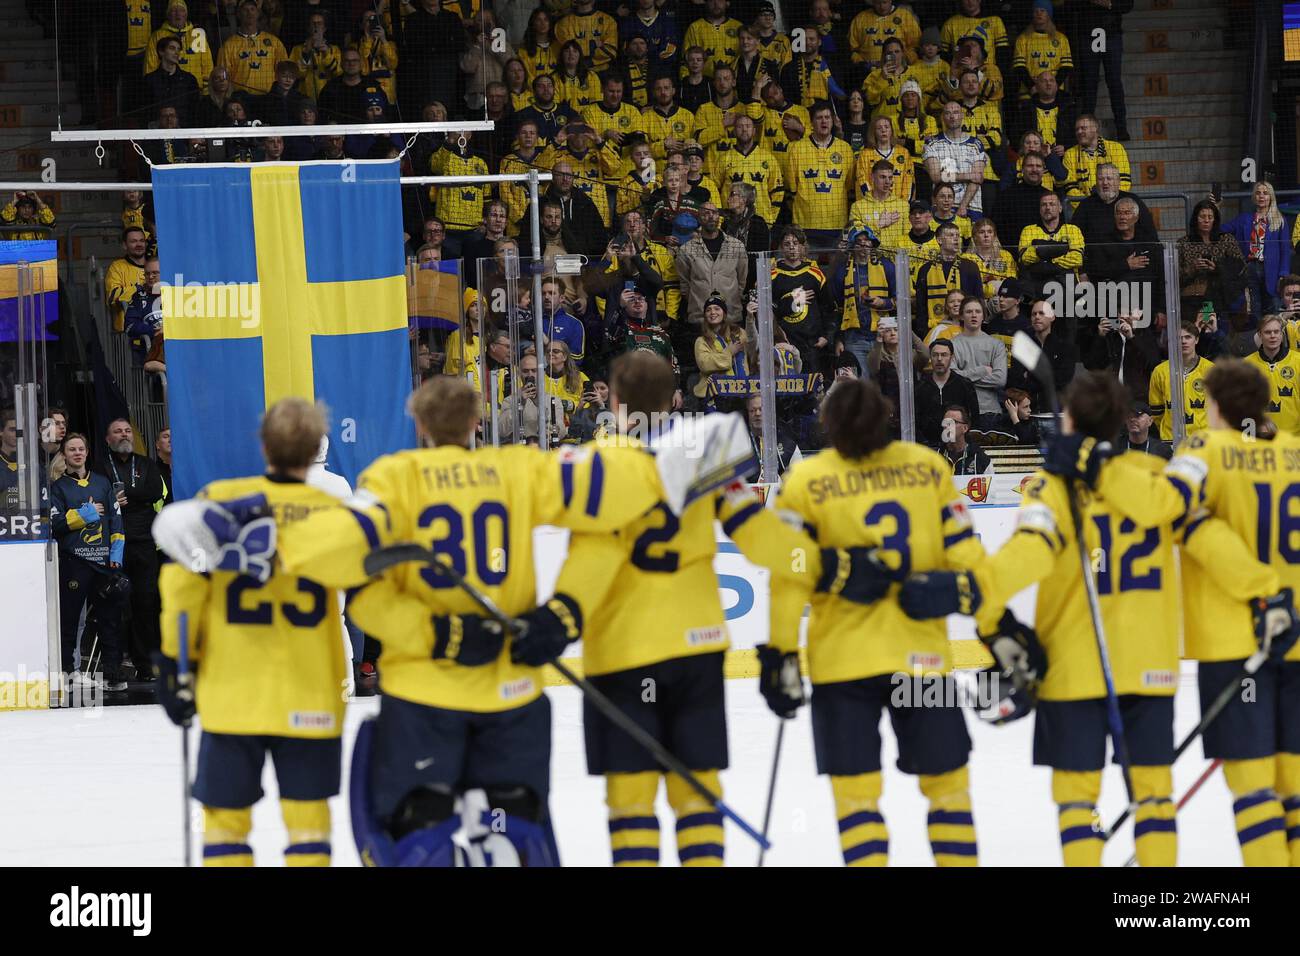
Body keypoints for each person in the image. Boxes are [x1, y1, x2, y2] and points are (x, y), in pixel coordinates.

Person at [153, 376, 744, 867]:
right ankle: (497, 832)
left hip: (423, 694)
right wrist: (676, 460)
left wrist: (276, 546)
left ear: (421, 427)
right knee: (511, 812)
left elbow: (356, 561)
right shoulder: (518, 469)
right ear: (476, 423)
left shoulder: (394, 479)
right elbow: (601, 487)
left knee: (420, 818)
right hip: (510, 689)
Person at [559, 351, 812, 866]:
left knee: (630, 801)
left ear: (613, 399)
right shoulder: (704, 453)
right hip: (696, 648)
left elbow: (587, 559)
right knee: (697, 791)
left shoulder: (598, 462)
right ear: (673, 397)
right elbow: (759, 537)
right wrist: (820, 565)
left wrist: (556, 619)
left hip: (621, 652)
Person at [1051, 360, 1300, 867]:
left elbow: (1159, 505)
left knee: (1255, 795)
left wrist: (1092, 463)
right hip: (1293, 635)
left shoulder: (1204, 451)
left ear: (1217, 404)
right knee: (1292, 791)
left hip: (1236, 641)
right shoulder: (1295, 452)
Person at [759, 377, 986, 866]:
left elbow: (789, 575)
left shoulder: (805, 481)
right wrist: (982, 609)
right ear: (884, 415)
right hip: (922, 659)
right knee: (948, 791)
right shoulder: (926, 468)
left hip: (842, 662)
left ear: (830, 426)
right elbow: (969, 557)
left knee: (857, 799)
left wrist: (779, 653)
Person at [155, 399, 346, 866]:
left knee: (224, 821)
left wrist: (174, 666)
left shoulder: (220, 499)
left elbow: (183, 591)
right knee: (308, 824)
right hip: (311, 692)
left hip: (231, 693)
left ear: (263, 445)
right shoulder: (337, 505)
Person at [50, 434, 127, 692]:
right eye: (72, 449)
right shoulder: (58, 487)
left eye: (81, 448)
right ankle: (70, 673)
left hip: (104, 562)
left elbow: (116, 522)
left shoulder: (103, 483)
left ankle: (112, 674)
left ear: (87, 452)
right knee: (71, 620)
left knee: (110, 620)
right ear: (64, 454)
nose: (77, 453)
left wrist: (116, 555)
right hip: (75, 561)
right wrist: (88, 513)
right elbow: (56, 524)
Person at [97, 418, 166, 679]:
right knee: (114, 602)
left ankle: (145, 665)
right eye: (118, 431)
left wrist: (125, 498)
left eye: (127, 431)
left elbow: (152, 493)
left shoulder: (147, 463)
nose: (124, 435)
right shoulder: (100, 467)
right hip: (113, 543)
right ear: (108, 439)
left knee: (145, 602)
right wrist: (112, 501)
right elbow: (100, 496)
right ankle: (114, 665)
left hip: (144, 543)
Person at [1178, 199, 1247, 347]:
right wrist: (1193, 268)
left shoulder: (1226, 239)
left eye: (1210, 217)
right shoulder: (1184, 242)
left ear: (1215, 219)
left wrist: (1217, 268)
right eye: (1202, 216)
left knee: (1213, 337)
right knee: (1192, 338)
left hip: (1218, 298)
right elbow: (1174, 275)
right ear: (1195, 218)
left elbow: (1240, 266)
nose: (1206, 220)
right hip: (1190, 299)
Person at [1224, 182, 1293, 329]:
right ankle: (1258, 340)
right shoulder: (1244, 219)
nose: (1261, 196)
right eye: (1258, 193)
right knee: (1255, 307)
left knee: (1274, 304)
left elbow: (1285, 250)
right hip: (1249, 268)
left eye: (1265, 192)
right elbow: (1222, 229)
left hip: (1272, 271)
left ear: (1271, 197)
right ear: (1254, 197)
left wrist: (1283, 274)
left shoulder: (1280, 220)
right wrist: (1216, 207)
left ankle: (1275, 337)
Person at [786, 101, 854, 248]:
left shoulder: (845, 149)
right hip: (805, 223)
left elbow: (849, 185)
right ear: (811, 122)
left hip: (837, 223)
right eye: (819, 118)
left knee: (835, 269)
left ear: (833, 121)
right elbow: (791, 188)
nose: (824, 121)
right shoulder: (797, 148)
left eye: (827, 117)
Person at [771, 226, 833, 376]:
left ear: (802, 246)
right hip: (784, 344)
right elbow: (769, 312)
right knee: (786, 392)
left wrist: (827, 336)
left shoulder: (815, 274)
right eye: (787, 244)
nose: (792, 247)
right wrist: (794, 301)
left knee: (813, 391)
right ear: (781, 248)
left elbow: (829, 308)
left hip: (812, 345)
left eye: (796, 243)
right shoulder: (771, 275)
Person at [949, 296, 1007, 432]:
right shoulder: (952, 345)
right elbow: (951, 378)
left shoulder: (996, 344)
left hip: (990, 411)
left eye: (978, 311)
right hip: (961, 413)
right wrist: (982, 370)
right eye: (969, 312)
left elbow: (1000, 380)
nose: (974, 315)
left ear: (983, 316)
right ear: (961, 316)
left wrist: (963, 376)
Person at [923, 101, 987, 219]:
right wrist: (968, 175)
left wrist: (963, 206)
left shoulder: (976, 144)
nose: (952, 116)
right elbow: (936, 177)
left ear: (962, 115)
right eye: (948, 113)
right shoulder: (932, 143)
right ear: (943, 117)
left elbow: (977, 179)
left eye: (956, 112)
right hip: (941, 208)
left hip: (971, 207)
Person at [1017, 192, 1085, 299]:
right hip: (1038, 283)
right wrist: (1062, 249)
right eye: (1044, 205)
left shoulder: (1072, 229)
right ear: (1040, 209)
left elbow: (1077, 258)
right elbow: (1025, 258)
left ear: (1060, 208)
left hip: (1068, 284)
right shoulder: (1029, 230)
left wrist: (1043, 254)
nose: (1047, 208)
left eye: (1052, 204)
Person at [1071, 163, 1157, 246]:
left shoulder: (1133, 201)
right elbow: (1074, 235)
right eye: (1101, 179)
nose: (1105, 183)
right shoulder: (1086, 205)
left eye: (1109, 179)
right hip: (1096, 257)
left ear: (1118, 181)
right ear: (1096, 182)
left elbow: (1150, 234)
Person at [916, 338, 980, 448]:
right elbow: (915, 420)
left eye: (944, 355)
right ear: (930, 357)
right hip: (927, 447)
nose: (939, 359)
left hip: (957, 447)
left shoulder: (964, 384)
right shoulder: (920, 386)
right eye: (935, 355)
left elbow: (974, 418)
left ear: (952, 357)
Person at [218, 0, 289, 96]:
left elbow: (284, 70)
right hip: (242, 100)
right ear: (238, 14)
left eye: (252, 9)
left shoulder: (274, 42)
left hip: (269, 97)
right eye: (245, 9)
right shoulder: (229, 45)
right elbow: (224, 75)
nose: (249, 13)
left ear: (258, 13)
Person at [1245, 314, 1300, 436]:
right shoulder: (1246, 365)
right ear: (1260, 335)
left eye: (1276, 332)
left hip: (1293, 439)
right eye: (1268, 332)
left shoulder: (1298, 361)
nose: (1273, 336)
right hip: (1260, 439)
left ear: (1282, 334)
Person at [1011, 0, 1073, 101]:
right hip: (1029, 92)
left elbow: (1066, 66)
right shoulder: (1023, 38)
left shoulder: (1061, 38)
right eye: (1036, 11)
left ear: (1049, 14)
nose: (1039, 13)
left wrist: (1053, 85)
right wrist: (1032, 86)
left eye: (1043, 10)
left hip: (1054, 91)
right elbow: (1019, 67)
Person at [1062, 114, 1130, 205]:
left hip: (1114, 206)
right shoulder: (1070, 154)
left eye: (1083, 128)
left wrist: (1111, 202)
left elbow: (1124, 182)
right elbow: (1070, 188)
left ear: (1095, 129)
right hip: (1084, 208)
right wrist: (1088, 206)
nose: (1079, 132)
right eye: (1077, 129)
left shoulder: (1116, 148)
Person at [104, 227, 148, 334]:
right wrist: (139, 289)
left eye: (142, 241)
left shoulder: (155, 265)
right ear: (124, 245)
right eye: (133, 241)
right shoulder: (117, 267)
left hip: (155, 331)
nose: (139, 244)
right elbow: (112, 296)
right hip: (128, 336)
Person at [940, 403, 994, 474]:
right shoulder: (934, 456)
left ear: (965, 428)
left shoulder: (981, 459)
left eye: (954, 422)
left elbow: (990, 484)